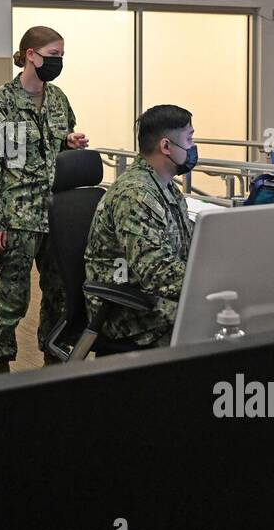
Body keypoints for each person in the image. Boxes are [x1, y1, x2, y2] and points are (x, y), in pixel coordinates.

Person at [0, 25, 87, 373]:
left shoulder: (58, 99)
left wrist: (71, 143)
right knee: (11, 297)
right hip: (17, 218)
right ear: (30, 55)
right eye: (53, 56)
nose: (58, 62)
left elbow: (60, 144)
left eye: (62, 56)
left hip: (58, 216)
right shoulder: (1, 102)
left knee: (61, 293)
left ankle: (55, 354)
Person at [83, 104, 196, 351]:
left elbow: (185, 245)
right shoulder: (135, 195)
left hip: (151, 297)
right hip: (127, 310)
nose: (192, 148)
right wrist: (209, 282)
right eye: (189, 139)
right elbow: (156, 271)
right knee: (216, 323)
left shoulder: (164, 186)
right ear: (166, 147)